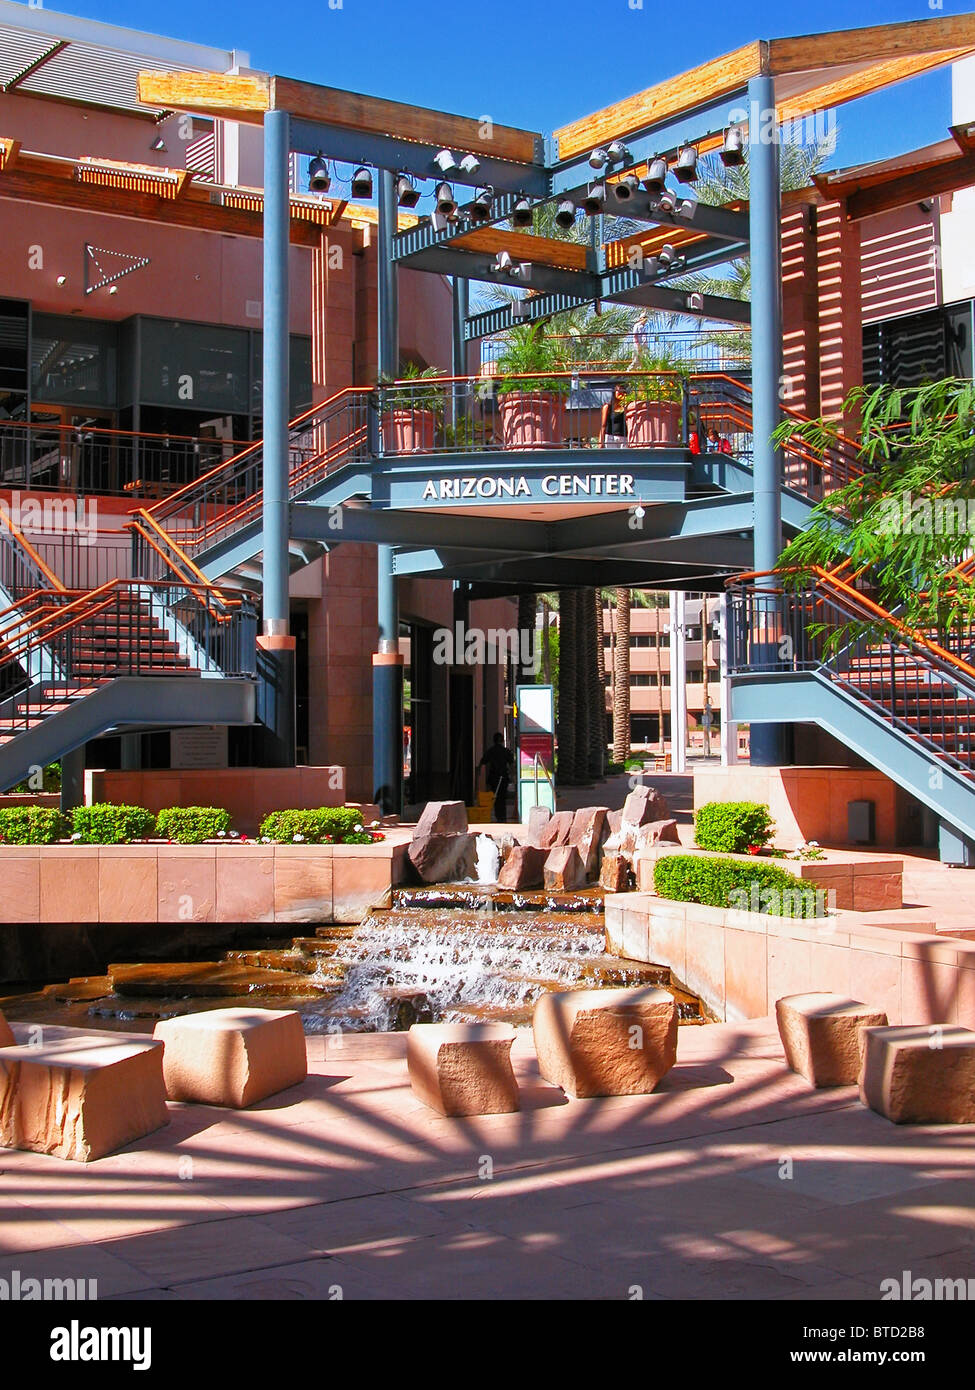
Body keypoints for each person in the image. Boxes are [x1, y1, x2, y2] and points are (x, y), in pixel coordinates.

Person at [480, 732, 514, 823]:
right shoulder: (506, 751)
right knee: (502, 798)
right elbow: (511, 763)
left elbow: (483, 762)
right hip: (503, 777)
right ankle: (502, 817)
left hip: (493, 777)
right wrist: (513, 776)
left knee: (494, 797)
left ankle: (498, 815)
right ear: (502, 740)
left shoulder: (490, 751)